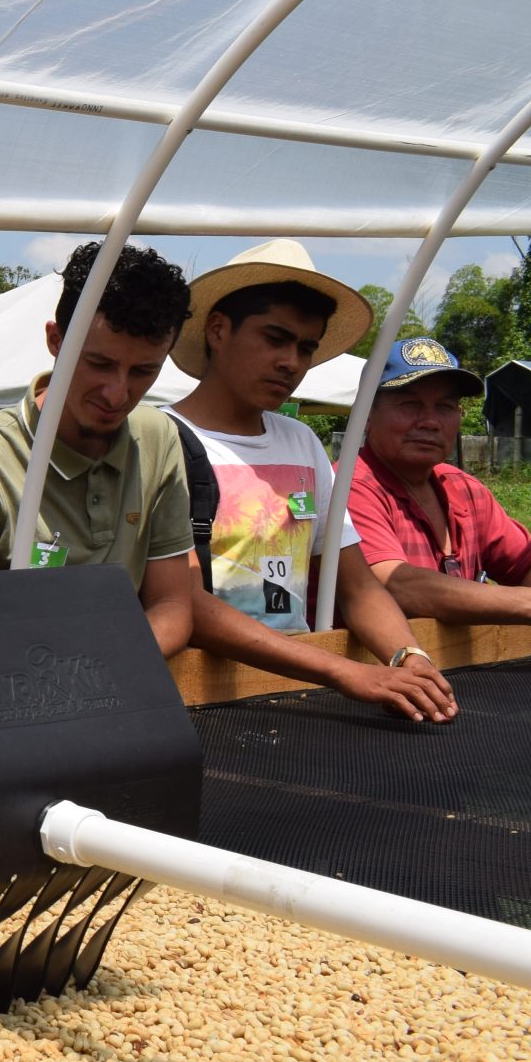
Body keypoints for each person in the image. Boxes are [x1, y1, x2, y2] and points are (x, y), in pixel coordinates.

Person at [165, 242, 456, 722]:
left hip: (296, 698)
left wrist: (409, 658)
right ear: (218, 330)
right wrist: (344, 672)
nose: (291, 362)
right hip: (197, 698)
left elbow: (358, 587)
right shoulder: (162, 441)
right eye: (274, 338)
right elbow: (183, 601)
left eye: (305, 347)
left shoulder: (302, 443)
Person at [0, 241, 201, 651]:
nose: (117, 393)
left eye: (144, 370)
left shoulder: (158, 437)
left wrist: (105, 666)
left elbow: (173, 604)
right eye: (99, 363)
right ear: (55, 339)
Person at [348, 338, 531, 650]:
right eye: (410, 404)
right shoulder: (350, 486)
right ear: (366, 415)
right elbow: (396, 584)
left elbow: (529, 560)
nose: (431, 422)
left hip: (459, 671)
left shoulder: (461, 488)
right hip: (375, 677)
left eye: (446, 407)